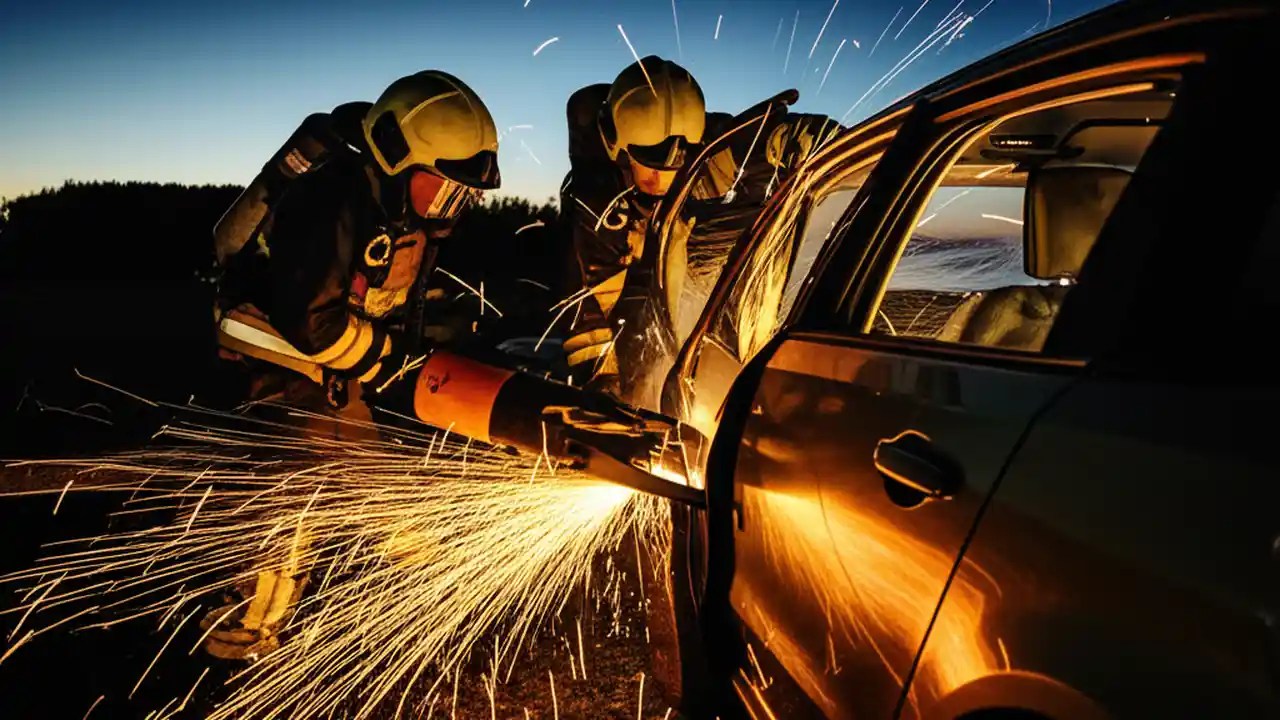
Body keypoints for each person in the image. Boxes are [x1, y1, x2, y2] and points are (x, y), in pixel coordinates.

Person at [202, 69, 501, 660]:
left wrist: (409, 346)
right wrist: (393, 359)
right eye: (445, 189)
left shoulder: (404, 215)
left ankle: (431, 599)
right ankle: (242, 634)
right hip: (280, 354)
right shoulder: (333, 197)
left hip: (334, 368)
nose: (453, 208)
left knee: (381, 486)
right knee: (296, 492)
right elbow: (315, 323)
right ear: (396, 157)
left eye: (464, 197)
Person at [556, 56, 841, 408]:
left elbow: (753, 145)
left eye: (680, 160)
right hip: (624, 288)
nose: (663, 179)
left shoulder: (710, 146)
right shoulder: (596, 197)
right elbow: (589, 300)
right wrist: (604, 380)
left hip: (678, 268)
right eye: (650, 162)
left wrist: (793, 140)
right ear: (618, 143)